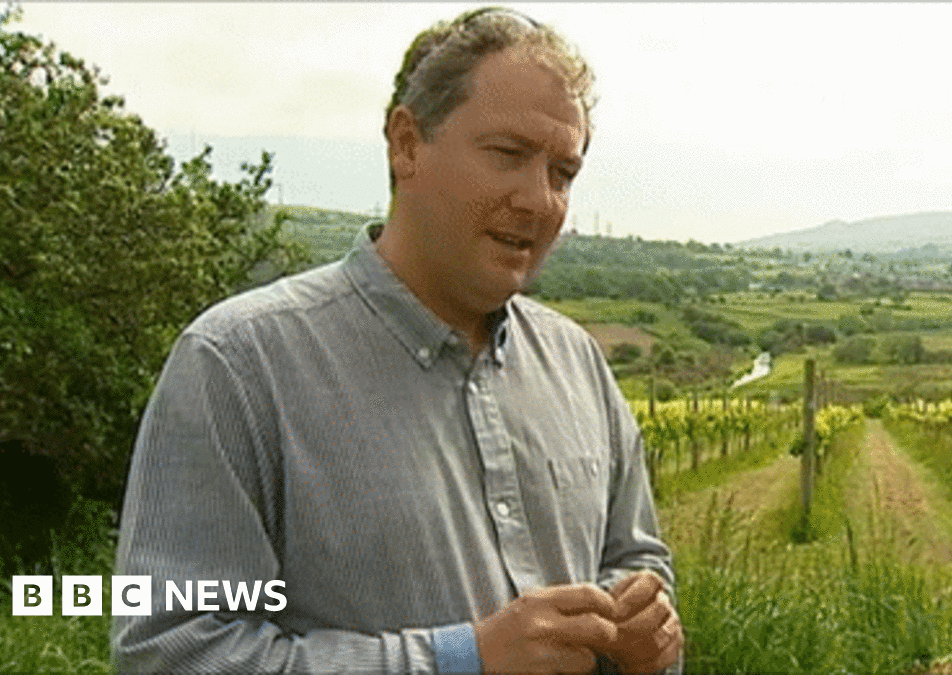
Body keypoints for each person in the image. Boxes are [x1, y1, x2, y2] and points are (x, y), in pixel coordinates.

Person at [112, 6, 682, 674]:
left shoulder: (577, 363)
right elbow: (170, 651)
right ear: (406, 144)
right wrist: (462, 660)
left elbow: (638, 560)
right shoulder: (238, 365)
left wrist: (646, 623)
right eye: (508, 155)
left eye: (562, 172)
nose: (540, 199)